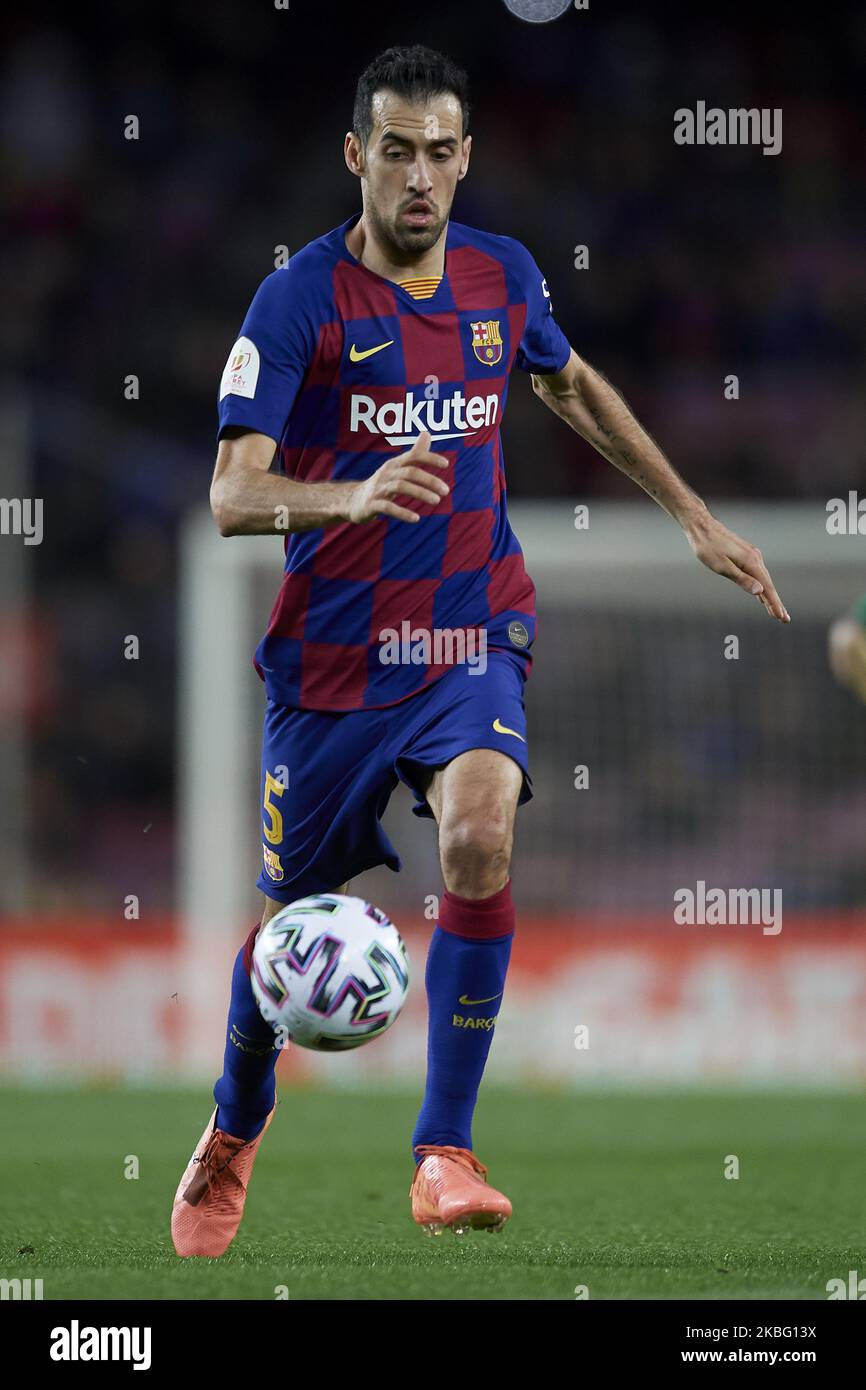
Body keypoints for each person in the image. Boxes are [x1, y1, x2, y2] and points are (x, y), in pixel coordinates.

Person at [171, 43, 789, 1257]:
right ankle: (237, 1122)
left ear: (466, 159)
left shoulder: (502, 276)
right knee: (283, 937)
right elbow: (232, 495)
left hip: (468, 633)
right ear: (355, 157)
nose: (417, 175)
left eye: (439, 151)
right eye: (393, 149)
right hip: (333, 670)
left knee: (477, 831)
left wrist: (692, 516)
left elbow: (569, 387)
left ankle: (443, 1149)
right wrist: (347, 498)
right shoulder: (294, 300)